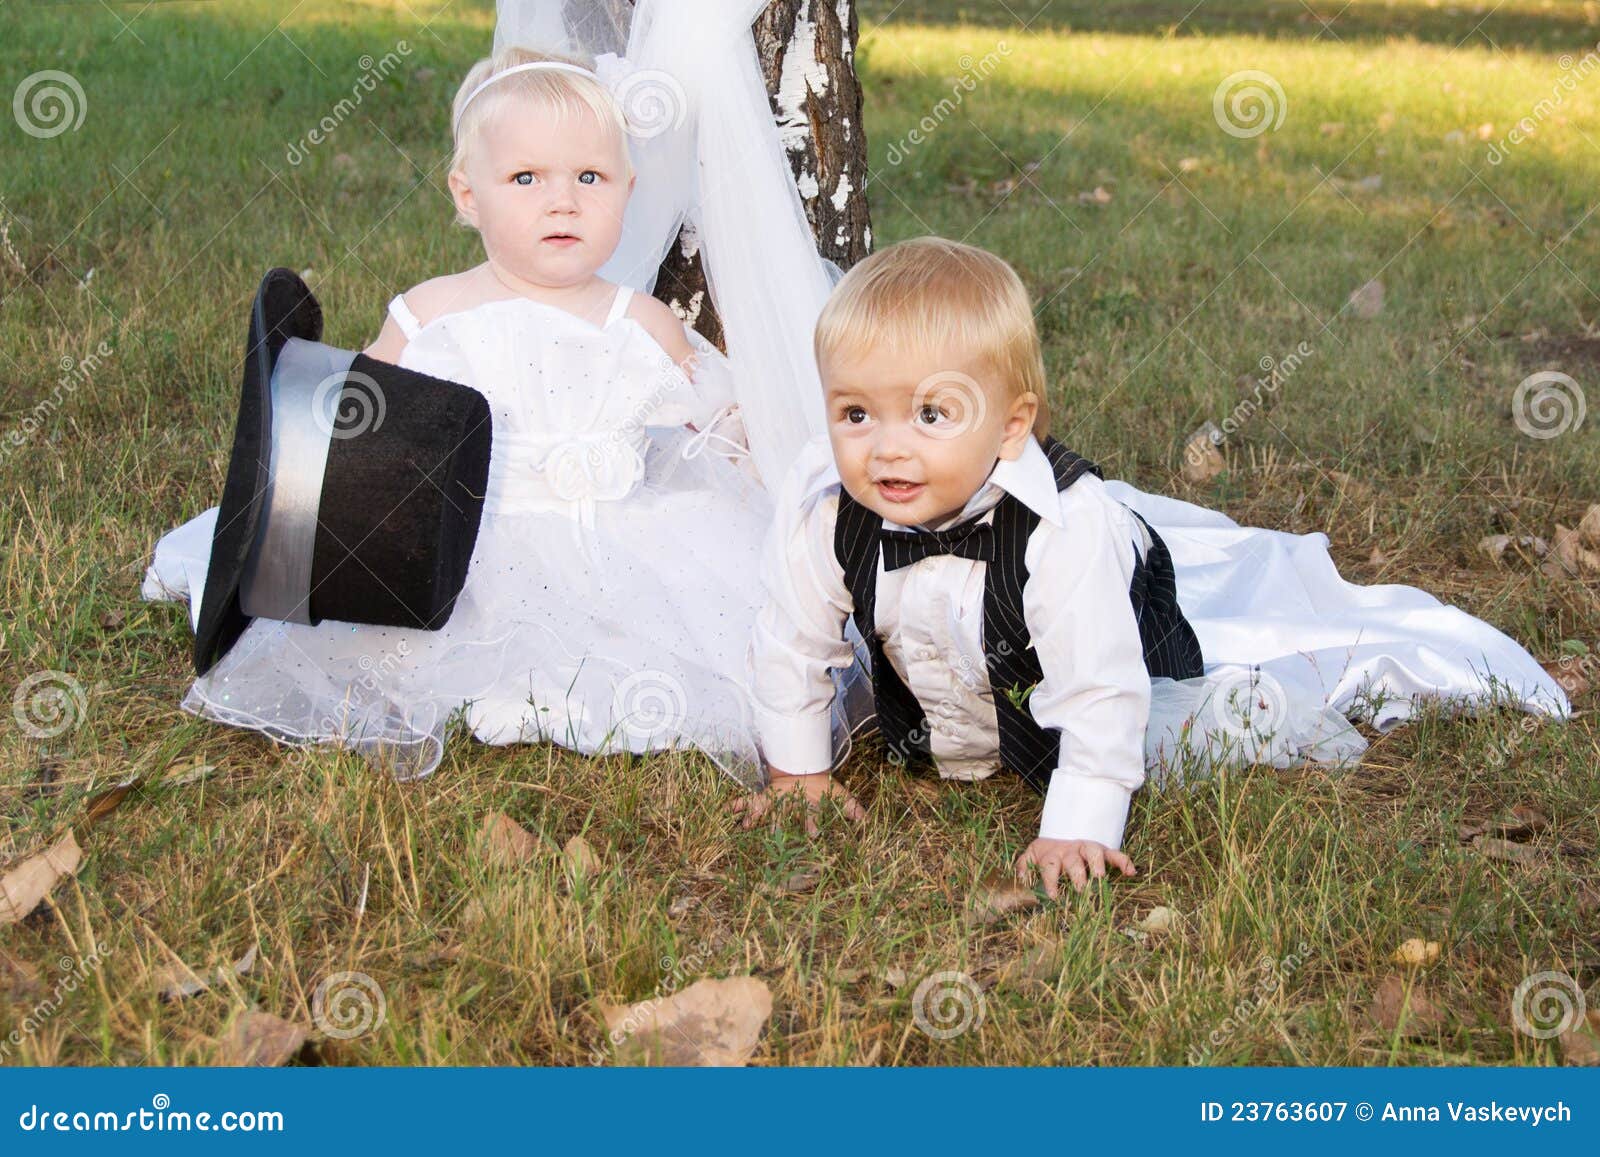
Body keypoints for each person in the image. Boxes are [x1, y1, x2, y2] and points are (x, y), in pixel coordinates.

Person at [740, 238, 1567, 896]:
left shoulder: (1061, 534)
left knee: (1185, 730)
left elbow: (1099, 690)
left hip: (1109, 671)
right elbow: (792, 642)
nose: (887, 444)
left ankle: (1251, 700)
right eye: (856, 411)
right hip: (949, 695)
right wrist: (797, 771)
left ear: (1010, 425)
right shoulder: (827, 509)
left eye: (931, 413)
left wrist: (1080, 822)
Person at [142, 46, 863, 783]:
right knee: (412, 646)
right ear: (467, 194)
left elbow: (721, 415)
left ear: (628, 189)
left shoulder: (640, 321)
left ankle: (563, 696)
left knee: (679, 640)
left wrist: (755, 466)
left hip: (613, 537)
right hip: (465, 540)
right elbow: (350, 426)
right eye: (526, 178)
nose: (564, 201)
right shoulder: (430, 313)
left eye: (591, 177)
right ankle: (495, 687)